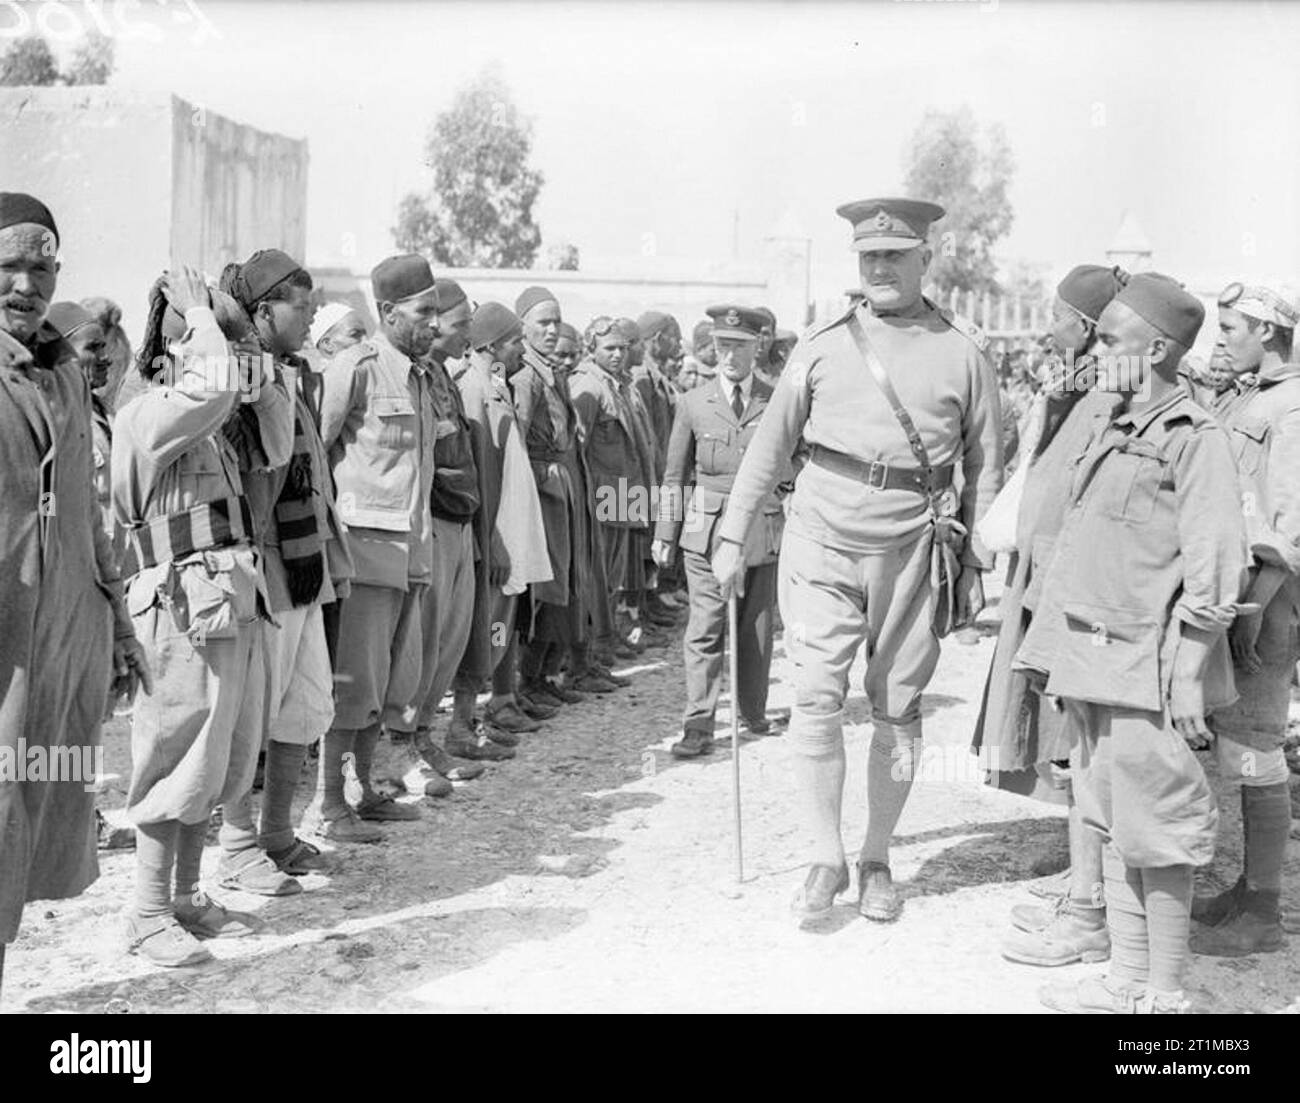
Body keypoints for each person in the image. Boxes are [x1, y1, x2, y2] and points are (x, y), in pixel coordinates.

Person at [713, 197, 1002, 924]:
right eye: (868, 257)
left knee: (898, 709)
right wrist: (729, 536)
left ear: (924, 260)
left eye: (894, 257)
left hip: (912, 549)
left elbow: (986, 467)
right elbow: (767, 449)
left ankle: (875, 855)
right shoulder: (819, 345)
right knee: (813, 699)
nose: (879, 269)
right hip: (820, 541)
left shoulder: (965, 353)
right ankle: (824, 857)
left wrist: (974, 561)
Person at [1018, 274, 1250, 1014]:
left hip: (1148, 671)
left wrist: (1187, 673)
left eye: (1111, 340)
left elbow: (1216, 562)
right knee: (1111, 820)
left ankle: (1167, 993)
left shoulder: (1195, 437)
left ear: (1154, 349)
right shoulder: (1116, 426)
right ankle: (1125, 979)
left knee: (1161, 830)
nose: (1099, 351)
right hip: (1095, 660)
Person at [115, 266, 291, 965]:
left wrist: (262, 372)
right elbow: (212, 383)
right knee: (174, 751)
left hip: (227, 598)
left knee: (214, 757)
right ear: (177, 344)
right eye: (206, 332)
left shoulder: (212, 424)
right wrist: (200, 319)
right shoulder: (149, 414)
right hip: (179, 605)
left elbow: (276, 445)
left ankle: (185, 896)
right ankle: (147, 911)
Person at [0, 195, 149, 990]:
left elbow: (87, 516)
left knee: (29, 809)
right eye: (8, 266)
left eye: (42, 267)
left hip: (54, 643)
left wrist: (119, 624)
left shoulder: (60, 373)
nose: (25, 284)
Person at [971, 265, 1127, 968]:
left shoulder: (1108, 395)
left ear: (1090, 328)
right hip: (1047, 581)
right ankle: (1082, 881)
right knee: (1067, 738)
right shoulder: (1078, 388)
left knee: (1079, 741)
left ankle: (1094, 903)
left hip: (1075, 591)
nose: (1047, 326)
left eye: (1060, 316)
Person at [214, 249, 350, 891]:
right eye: (303, 302)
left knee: (304, 703)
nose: (314, 311)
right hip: (261, 563)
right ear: (264, 310)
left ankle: (275, 834)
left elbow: (314, 477)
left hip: (302, 561)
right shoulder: (239, 375)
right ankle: (237, 847)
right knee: (249, 712)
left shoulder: (296, 374)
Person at [1188, 283, 1300, 957]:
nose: (1220, 336)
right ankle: (1249, 888)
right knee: (1244, 746)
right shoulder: (1259, 396)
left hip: (1270, 599)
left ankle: (1263, 907)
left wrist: (1256, 611)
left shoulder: (1289, 410)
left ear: (1267, 330)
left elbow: (1286, 529)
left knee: (1256, 746)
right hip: (1251, 594)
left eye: (1232, 326)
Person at [314, 254, 442, 838]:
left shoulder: (420, 375)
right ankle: (329, 804)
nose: (434, 324)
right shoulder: (357, 366)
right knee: (353, 686)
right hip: (364, 551)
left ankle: (363, 791)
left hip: (410, 551)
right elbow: (316, 449)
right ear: (388, 313)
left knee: (388, 685)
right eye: (424, 312)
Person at [653, 305, 787, 757]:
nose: (729, 356)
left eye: (739, 347)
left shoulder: (777, 400)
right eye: (722, 346)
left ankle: (753, 711)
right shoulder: (692, 402)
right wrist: (664, 534)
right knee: (705, 626)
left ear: (758, 347)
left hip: (760, 526)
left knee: (756, 626)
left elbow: (796, 463)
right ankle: (699, 723)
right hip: (704, 530)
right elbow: (674, 477)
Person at [451, 303, 554, 753]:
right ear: (491, 346)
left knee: (499, 624)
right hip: (492, 533)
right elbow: (478, 471)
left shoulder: (496, 386)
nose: (520, 351)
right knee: (483, 628)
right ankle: (462, 724)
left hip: (507, 529)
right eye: (514, 343)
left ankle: (488, 709)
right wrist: (489, 538)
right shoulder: (473, 388)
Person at [512, 286, 613, 705]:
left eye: (557, 322)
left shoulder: (551, 373)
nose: (553, 331)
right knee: (545, 589)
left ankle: (544, 677)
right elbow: (514, 446)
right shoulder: (525, 378)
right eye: (543, 323)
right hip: (543, 496)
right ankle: (524, 681)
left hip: (564, 493)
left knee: (567, 584)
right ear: (523, 328)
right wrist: (541, 480)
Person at [571, 317, 650, 674]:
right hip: (602, 493)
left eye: (622, 348)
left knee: (613, 579)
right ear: (593, 349)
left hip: (622, 490)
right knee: (596, 580)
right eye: (610, 349)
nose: (619, 354)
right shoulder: (588, 385)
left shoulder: (618, 384)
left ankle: (603, 646)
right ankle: (588, 656)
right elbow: (578, 447)